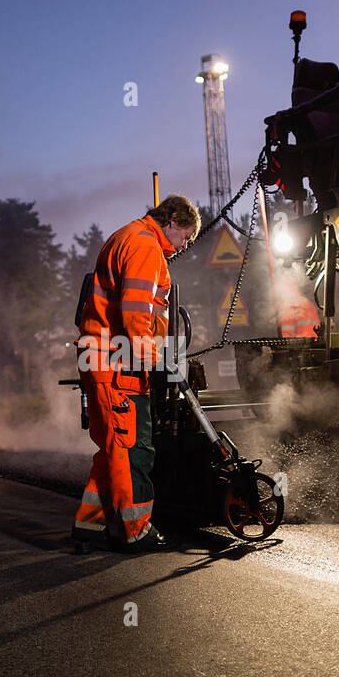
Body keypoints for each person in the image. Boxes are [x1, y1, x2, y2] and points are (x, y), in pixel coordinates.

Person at [71, 194, 201, 553]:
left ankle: (90, 524)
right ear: (172, 220)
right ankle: (135, 530)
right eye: (186, 236)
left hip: (104, 357)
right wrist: (152, 361)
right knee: (133, 448)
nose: (185, 246)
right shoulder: (145, 247)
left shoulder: (126, 236)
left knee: (113, 446)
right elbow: (134, 311)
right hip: (119, 360)